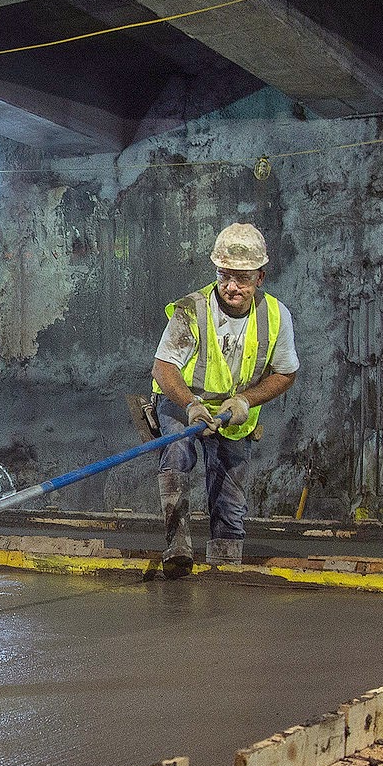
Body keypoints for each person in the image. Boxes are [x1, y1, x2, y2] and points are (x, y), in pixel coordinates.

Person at [150, 222, 298, 572]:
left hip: (233, 413)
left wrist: (246, 401)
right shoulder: (192, 310)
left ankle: (226, 564)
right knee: (177, 454)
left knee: (230, 488)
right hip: (183, 401)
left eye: (242, 278)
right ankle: (178, 549)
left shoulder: (276, 316)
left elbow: (285, 372)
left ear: (260, 278)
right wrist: (190, 405)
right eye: (224, 275)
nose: (232, 286)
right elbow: (163, 368)